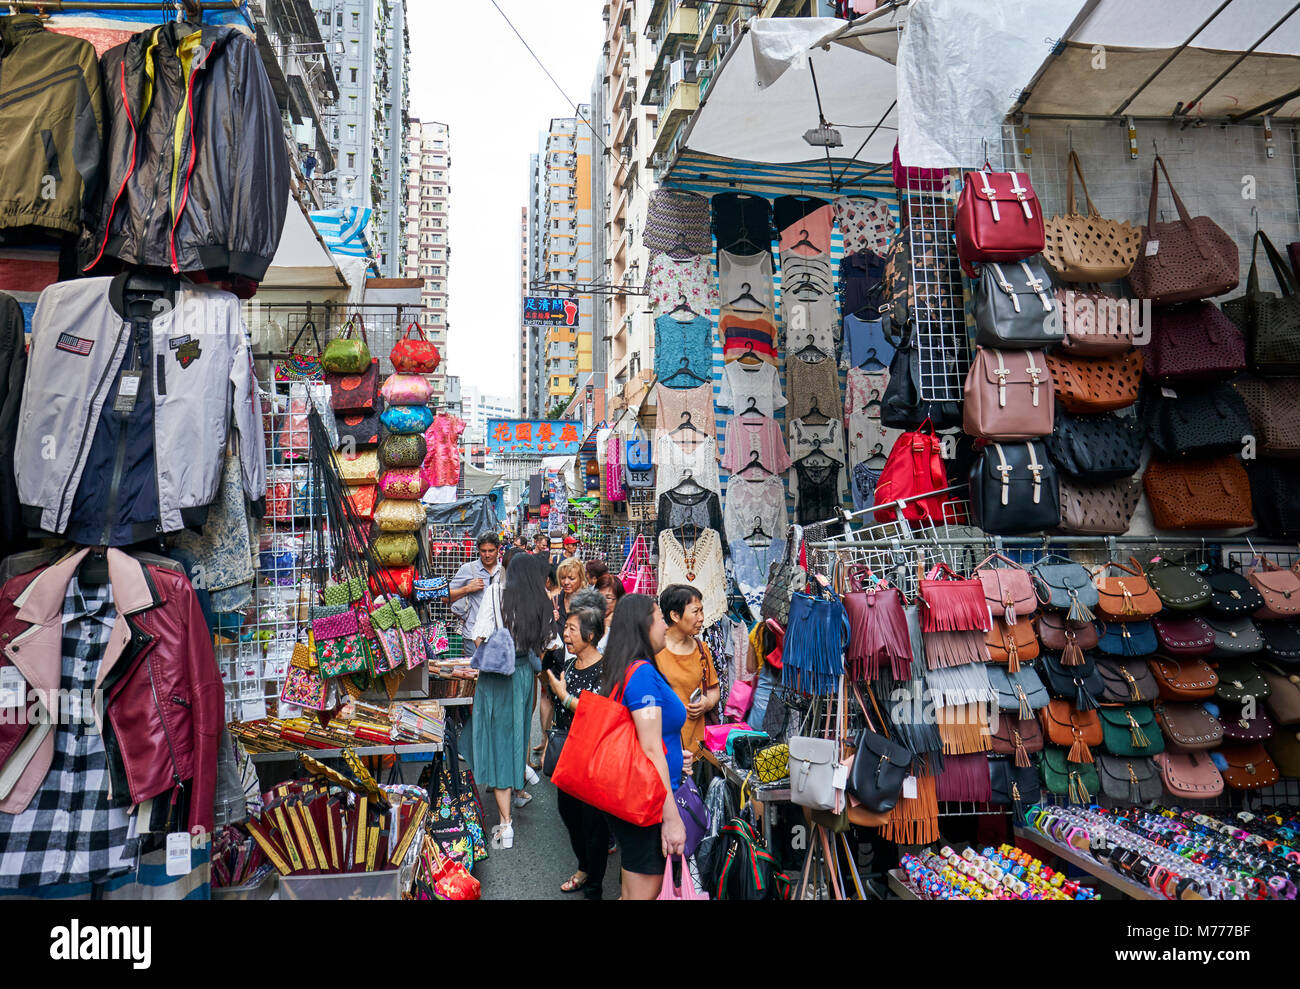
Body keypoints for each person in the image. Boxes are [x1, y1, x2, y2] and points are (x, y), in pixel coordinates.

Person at [596, 594, 688, 900]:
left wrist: (676, 754)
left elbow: (646, 737)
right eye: (660, 618)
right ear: (643, 624)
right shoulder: (642, 674)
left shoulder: (629, 669)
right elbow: (650, 748)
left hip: (637, 798)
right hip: (648, 802)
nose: (665, 626)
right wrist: (671, 819)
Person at [468, 552, 552, 850]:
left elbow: (479, 635)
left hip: (497, 676)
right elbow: (548, 643)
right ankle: (521, 772)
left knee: (498, 740)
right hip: (524, 674)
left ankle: (505, 824)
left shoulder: (495, 593)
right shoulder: (540, 599)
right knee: (517, 733)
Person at [545, 588, 610, 898]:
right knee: (568, 814)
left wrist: (563, 696)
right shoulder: (570, 667)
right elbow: (560, 714)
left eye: (572, 629)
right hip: (569, 756)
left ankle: (594, 885)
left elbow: (597, 713)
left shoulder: (605, 670)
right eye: (566, 628)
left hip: (595, 760)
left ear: (591, 635)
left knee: (594, 826)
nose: (566, 635)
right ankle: (584, 867)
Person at [654, 584, 719, 767]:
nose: (701, 618)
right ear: (675, 616)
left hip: (697, 748)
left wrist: (707, 703)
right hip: (663, 747)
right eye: (695, 612)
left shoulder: (701, 649)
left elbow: (714, 689)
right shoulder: (654, 650)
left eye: (701, 611)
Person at [449, 534, 502, 657]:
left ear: (498, 549)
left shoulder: (504, 570)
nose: (487, 555)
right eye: (483, 551)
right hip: (473, 635)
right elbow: (446, 597)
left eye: (491, 551)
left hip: (499, 635)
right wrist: (467, 589)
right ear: (478, 549)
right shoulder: (468, 569)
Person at [592, 572, 625, 651]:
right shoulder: (589, 621)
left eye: (609, 598)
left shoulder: (625, 625)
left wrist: (607, 627)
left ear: (619, 600)